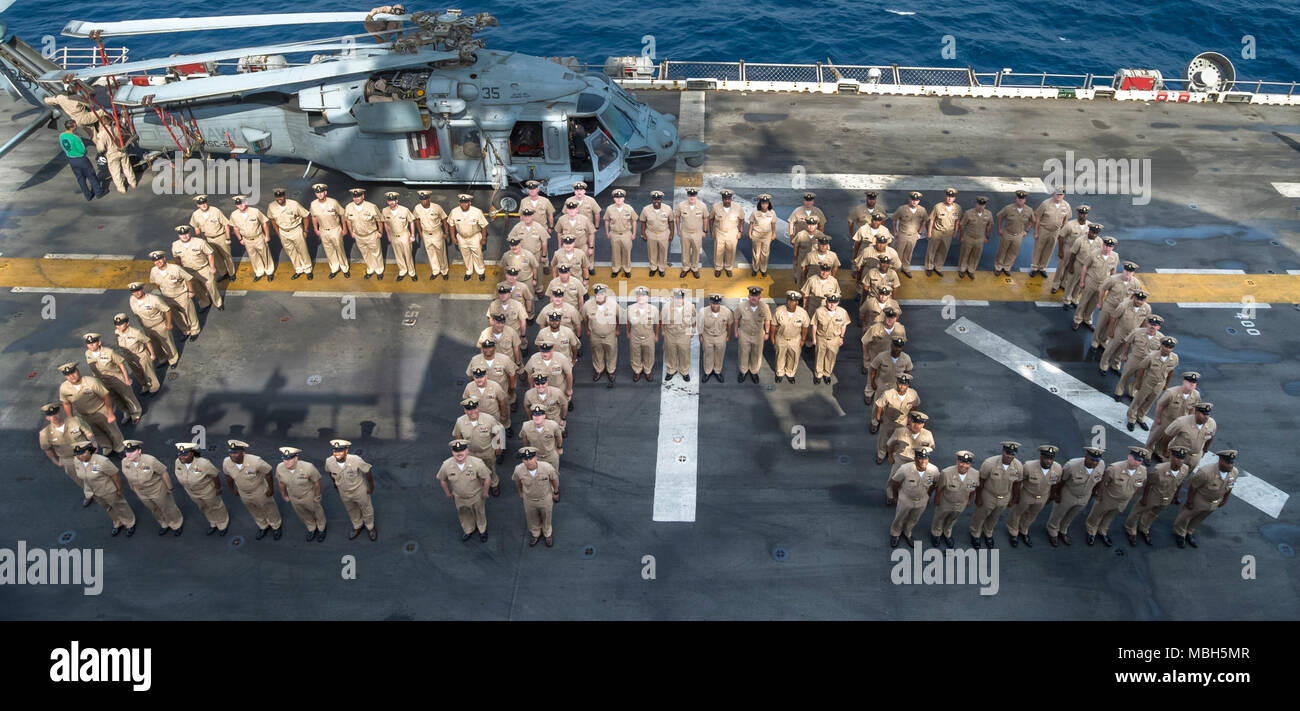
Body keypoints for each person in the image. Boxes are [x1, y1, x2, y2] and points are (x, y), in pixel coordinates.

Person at [1171, 450, 1239, 548]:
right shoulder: (1206, 472)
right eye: (1228, 463)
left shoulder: (1234, 472)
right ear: (1221, 460)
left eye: (1232, 463)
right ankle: (1179, 533)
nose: (1231, 466)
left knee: (1200, 517)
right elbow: (1193, 486)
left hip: (1215, 501)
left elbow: (1230, 486)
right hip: (1201, 499)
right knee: (1186, 516)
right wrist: (1190, 501)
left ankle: (1189, 531)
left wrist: (1225, 499)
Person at [120, 440, 184, 536]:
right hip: (141, 492)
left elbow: (163, 472)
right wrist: (132, 487)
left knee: (167, 507)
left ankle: (176, 523)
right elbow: (127, 475)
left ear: (139, 451)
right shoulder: (125, 462)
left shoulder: (150, 461)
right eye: (127, 452)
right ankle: (164, 523)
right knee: (154, 509)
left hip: (157, 489)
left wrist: (169, 487)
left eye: (132, 451)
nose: (129, 454)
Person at [222, 440, 282, 540]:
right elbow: (228, 476)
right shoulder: (226, 462)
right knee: (253, 509)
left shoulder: (255, 461)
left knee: (269, 507)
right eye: (231, 453)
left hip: (259, 489)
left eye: (236, 453)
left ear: (243, 452)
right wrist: (232, 489)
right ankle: (263, 526)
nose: (233, 455)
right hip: (243, 492)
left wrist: (271, 488)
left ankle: (276, 526)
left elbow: (268, 472)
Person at [72, 442, 136, 536]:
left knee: (120, 506)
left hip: (108, 490)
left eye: (82, 453)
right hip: (93, 491)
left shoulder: (102, 461)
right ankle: (117, 522)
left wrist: (119, 489)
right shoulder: (76, 460)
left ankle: (130, 522)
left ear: (90, 451)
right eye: (77, 454)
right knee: (108, 507)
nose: (79, 456)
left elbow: (114, 475)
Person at [38, 402, 95, 506]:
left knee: (95, 471)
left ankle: (102, 488)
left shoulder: (74, 421)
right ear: (47, 418)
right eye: (50, 415)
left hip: (86, 453)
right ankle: (89, 493)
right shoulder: (44, 433)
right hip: (68, 459)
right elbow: (47, 449)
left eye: (55, 413)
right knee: (79, 477)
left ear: (60, 412)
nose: (54, 416)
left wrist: (94, 445)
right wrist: (56, 461)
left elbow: (88, 433)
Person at [437, 439, 491, 542]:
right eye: (456, 451)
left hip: (476, 496)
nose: (459, 453)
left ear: (467, 451)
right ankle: (468, 529)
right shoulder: (446, 465)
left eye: (462, 450)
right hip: (459, 497)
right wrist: (448, 493)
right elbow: (442, 480)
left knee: (480, 513)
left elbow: (487, 478)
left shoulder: (477, 463)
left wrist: (485, 492)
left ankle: (482, 530)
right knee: (464, 514)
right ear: (453, 452)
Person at [324, 439, 378, 540]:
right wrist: (335, 485)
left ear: (346, 450)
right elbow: (330, 473)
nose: (337, 454)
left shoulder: (356, 460)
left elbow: (368, 472)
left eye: (340, 451)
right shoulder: (329, 461)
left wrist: (371, 487)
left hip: (359, 490)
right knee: (351, 509)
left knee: (366, 508)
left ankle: (370, 527)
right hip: (344, 492)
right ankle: (357, 525)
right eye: (335, 451)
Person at [174, 442, 229, 536]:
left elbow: (215, 475)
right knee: (203, 507)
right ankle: (213, 522)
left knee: (216, 506)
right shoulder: (178, 462)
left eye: (185, 455)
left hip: (207, 491)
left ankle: (222, 523)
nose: (181, 457)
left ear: (191, 453)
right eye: (180, 455)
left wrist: (218, 488)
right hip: (192, 492)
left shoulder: (203, 463)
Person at [888, 446, 938, 547]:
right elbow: (895, 482)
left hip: (922, 500)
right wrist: (895, 496)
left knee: (914, 518)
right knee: (900, 517)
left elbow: (935, 483)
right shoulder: (905, 469)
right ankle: (895, 533)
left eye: (925, 458)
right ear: (915, 459)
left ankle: (907, 533)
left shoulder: (933, 470)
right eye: (920, 458)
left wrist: (928, 494)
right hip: (905, 499)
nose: (923, 461)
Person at [276, 447, 328, 541]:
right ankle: (311, 528)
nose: (286, 462)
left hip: (308, 495)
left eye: (289, 459)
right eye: (284, 459)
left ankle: (321, 528)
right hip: (294, 497)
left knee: (317, 512)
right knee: (303, 514)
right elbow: (281, 482)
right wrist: (284, 495)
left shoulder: (308, 467)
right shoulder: (280, 467)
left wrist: (317, 495)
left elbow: (317, 481)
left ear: (296, 458)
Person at [513, 447, 560, 547]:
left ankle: (547, 533)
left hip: (545, 498)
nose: (528, 461)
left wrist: (555, 491)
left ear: (536, 458)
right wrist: (520, 492)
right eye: (525, 459)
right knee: (531, 518)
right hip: (529, 500)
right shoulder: (518, 470)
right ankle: (535, 533)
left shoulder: (547, 467)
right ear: (522, 460)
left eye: (531, 458)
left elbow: (554, 479)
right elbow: (517, 481)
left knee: (547, 516)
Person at [930, 450, 978, 547]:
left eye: (967, 463)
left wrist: (969, 500)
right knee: (939, 518)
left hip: (961, 503)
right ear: (957, 461)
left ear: (970, 464)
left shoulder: (975, 474)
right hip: (946, 502)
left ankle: (947, 532)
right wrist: (937, 498)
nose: (963, 465)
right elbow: (939, 488)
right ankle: (936, 533)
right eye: (961, 462)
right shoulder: (946, 473)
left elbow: (974, 488)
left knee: (953, 518)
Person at [268, 188, 315, 280]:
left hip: (295, 229)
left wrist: (305, 230)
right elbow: (272, 220)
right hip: (283, 231)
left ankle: (308, 270)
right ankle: (298, 269)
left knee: (303, 251)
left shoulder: (294, 204)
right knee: (291, 252)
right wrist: (278, 233)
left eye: (281, 196)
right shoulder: (271, 206)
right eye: (277, 197)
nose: (279, 199)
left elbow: (305, 216)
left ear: (284, 196)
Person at [309, 184, 351, 278]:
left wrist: (344, 229)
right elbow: (314, 217)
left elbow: (342, 214)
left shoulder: (333, 202)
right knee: (329, 251)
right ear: (315, 194)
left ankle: (345, 268)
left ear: (325, 192)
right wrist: (316, 229)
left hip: (335, 229)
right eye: (317, 193)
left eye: (321, 192)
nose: (320, 194)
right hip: (323, 230)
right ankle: (334, 268)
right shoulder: (313, 204)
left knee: (339, 249)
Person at [57, 119, 104, 201]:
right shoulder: (75, 138)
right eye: (75, 125)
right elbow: (82, 149)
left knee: (80, 178)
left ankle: (88, 195)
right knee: (91, 175)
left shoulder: (61, 136)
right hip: (81, 159)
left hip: (71, 159)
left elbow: (63, 146)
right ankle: (98, 192)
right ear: (72, 127)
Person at [734, 286, 771, 383]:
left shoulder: (764, 307)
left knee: (756, 353)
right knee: (743, 353)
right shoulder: (742, 306)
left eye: (756, 296)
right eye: (751, 296)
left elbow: (767, 320)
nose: (754, 298)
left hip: (758, 335)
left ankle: (754, 371)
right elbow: (736, 319)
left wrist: (767, 332)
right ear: (748, 296)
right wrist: (736, 331)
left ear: (760, 297)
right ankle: (743, 371)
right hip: (744, 334)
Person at [640, 191, 674, 277]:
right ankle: (653, 268)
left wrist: (671, 234)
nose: (656, 201)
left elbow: (671, 222)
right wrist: (643, 234)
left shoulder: (667, 209)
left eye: (658, 199)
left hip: (663, 234)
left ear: (661, 200)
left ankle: (661, 268)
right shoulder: (646, 209)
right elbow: (643, 222)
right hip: (651, 234)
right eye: (654, 199)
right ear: (652, 199)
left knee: (663, 251)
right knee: (652, 252)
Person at [747, 194, 777, 276]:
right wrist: (749, 233)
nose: (764, 205)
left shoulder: (772, 213)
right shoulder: (755, 213)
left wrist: (774, 234)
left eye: (766, 203)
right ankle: (755, 269)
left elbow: (773, 225)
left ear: (769, 204)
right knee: (756, 254)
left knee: (765, 253)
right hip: (756, 235)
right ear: (760, 204)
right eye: (763, 203)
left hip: (767, 236)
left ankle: (763, 269)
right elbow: (751, 223)